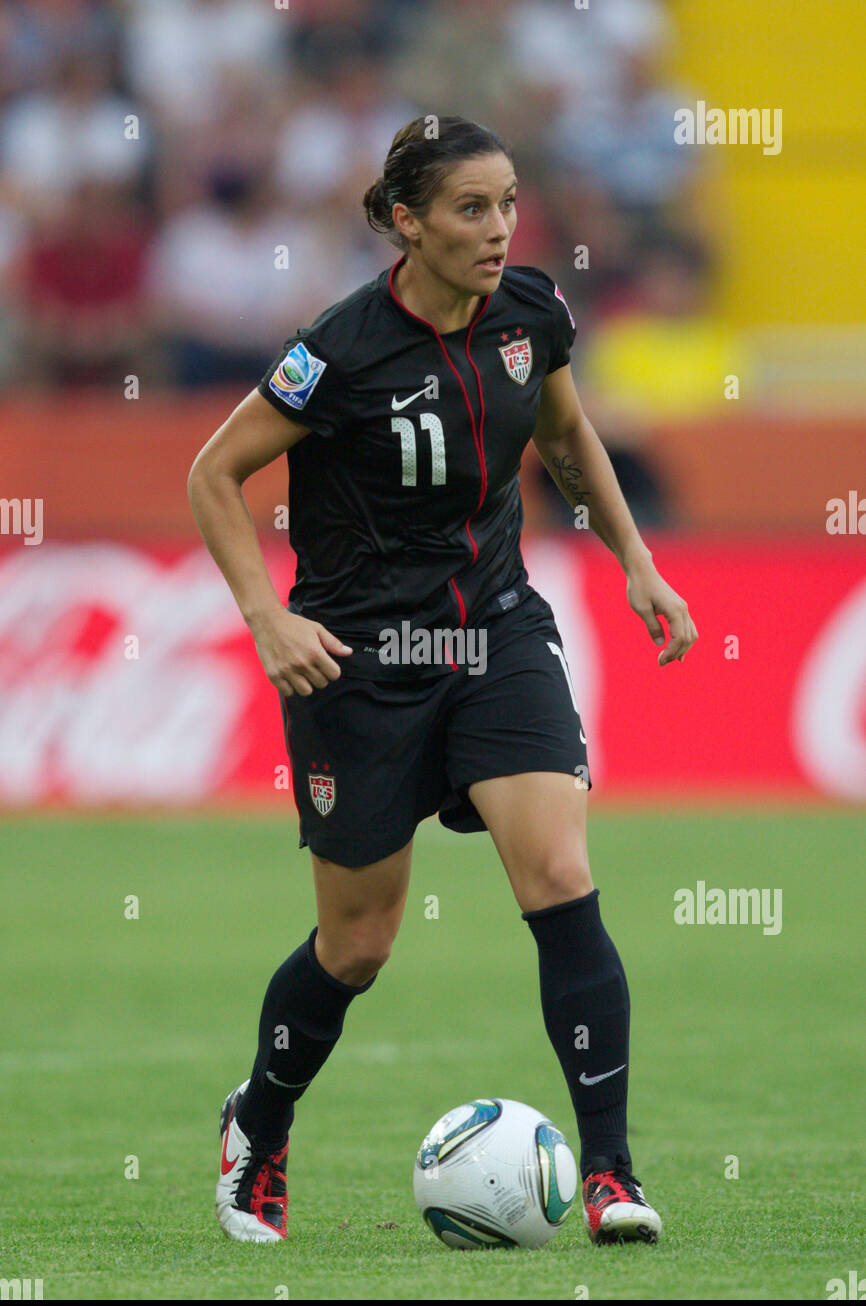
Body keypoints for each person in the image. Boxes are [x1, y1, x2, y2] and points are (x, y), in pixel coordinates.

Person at [187, 115, 698, 1247]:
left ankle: (610, 1172)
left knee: (560, 874)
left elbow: (565, 438)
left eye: (509, 203)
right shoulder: (339, 349)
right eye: (472, 208)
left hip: (495, 634)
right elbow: (212, 473)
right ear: (405, 222)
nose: (500, 228)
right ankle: (257, 1126)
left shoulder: (531, 313)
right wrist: (267, 616)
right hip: (358, 661)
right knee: (358, 943)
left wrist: (636, 562)